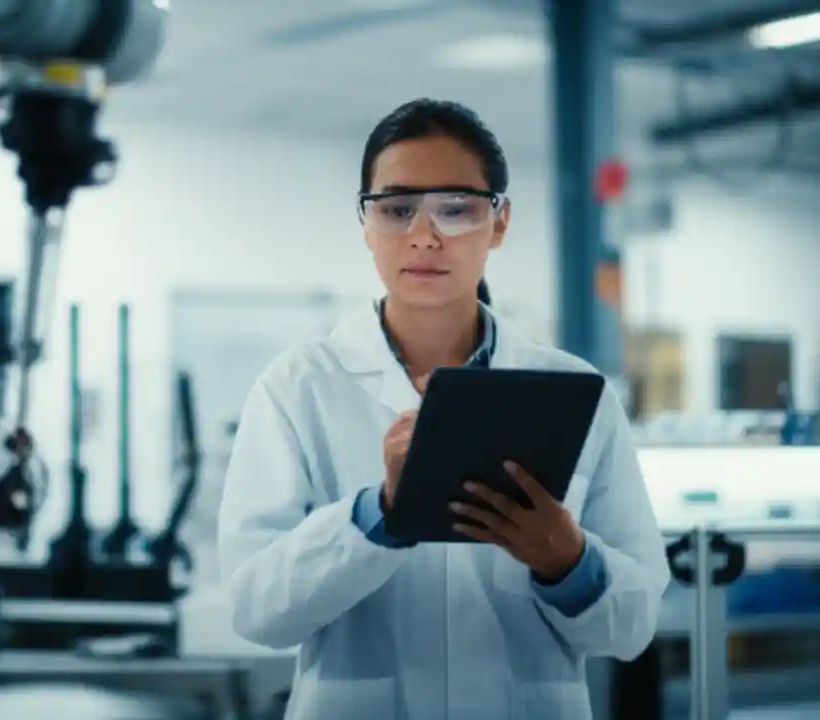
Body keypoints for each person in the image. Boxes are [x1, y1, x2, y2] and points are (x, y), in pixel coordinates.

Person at [217, 99, 670, 719]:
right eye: (397, 209)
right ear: (366, 224)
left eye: (455, 209)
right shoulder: (299, 389)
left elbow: (633, 624)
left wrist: (567, 560)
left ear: (500, 222)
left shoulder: (574, 392)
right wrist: (377, 517)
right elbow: (257, 610)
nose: (424, 235)